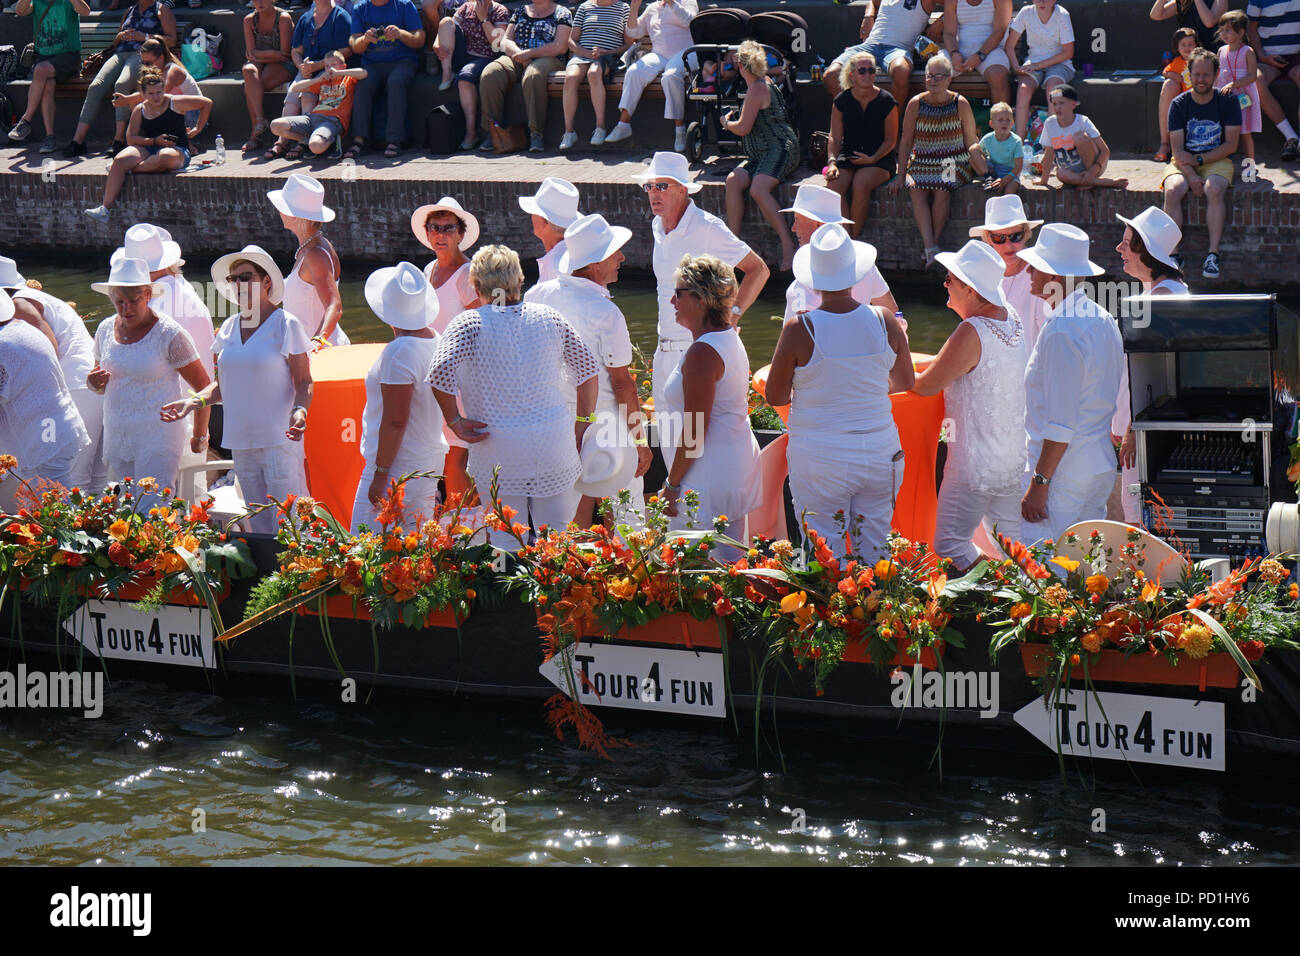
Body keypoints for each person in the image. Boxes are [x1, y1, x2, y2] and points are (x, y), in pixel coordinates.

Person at [426, 245, 601, 545]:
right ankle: (561, 590)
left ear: (475, 284)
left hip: (497, 447)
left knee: (505, 543)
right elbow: (588, 370)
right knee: (557, 540)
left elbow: (439, 374)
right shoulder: (549, 317)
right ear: (520, 281)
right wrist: (583, 421)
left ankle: (505, 587)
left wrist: (454, 421)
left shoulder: (469, 324)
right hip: (553, 442)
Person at [767, 226, 912, 561]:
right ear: (855, 274)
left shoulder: (799, 329)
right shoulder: (885, 320)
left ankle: (828, 612)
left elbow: (776, 396)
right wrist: (865, 386)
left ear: (814, 280)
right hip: (879, 452)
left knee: (823, 556)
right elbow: (905, 381)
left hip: (820, 457)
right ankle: (877, 611)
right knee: (876, 553)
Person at [163, 245, 312, 533]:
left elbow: (304, 381)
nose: (238, 285)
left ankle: (303, 574)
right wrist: (192, 402)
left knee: (291, 519)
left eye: (246, 277)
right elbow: (221, 385)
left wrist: (300, 411)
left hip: (278, 438)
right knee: (257, 519)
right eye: (234, 279)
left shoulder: (286, 324)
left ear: (266, 281)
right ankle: (271, 575)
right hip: (241, 440)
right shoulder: (229, 328)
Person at [525, 214, 651, 526]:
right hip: (603, 419)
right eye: (614, 252)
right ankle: (632, 574)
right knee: (627, 515)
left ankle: (560, 573)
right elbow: (624, 385)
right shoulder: (605, 312)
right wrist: (640, 440)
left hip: (552, 419)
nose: (622, 257)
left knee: (558, 518)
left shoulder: (536, 296)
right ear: (595, 264)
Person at [912, 240, 1026, 568]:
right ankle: (1024, 603)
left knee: (949, 544)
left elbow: (925, 386)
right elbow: (954, 361)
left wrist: (885, 367)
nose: (945, 285)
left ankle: (993, 590)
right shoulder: (1010, 318)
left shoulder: (970, 330)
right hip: (1009, 459)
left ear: (972, 291)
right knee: (1012, 548)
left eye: (950, 279)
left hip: (973, 466)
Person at [634, 151, 770, 414]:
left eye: (662, 186)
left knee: (696, 440)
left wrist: (733, 315)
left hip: (699, 350)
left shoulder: (708, 227)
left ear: (683, 190)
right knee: (670, 440)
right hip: (663, 350)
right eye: (649, 186)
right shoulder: (656, 226)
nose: (653, 193)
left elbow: (758, 270)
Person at [1016, 223, 1123, 544]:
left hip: (1064, 473)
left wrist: (1039, 483)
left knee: (1047, 571)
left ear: (1055, 277)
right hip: (1097, 463)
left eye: (1035, 266)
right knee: (1087, 569)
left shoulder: (1062, 330)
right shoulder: (1102, 317)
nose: (1027, 272)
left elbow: (1060, 423)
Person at [656, 253, 762, 544]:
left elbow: (694, 431)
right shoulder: (728, 336)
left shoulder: (703, 353)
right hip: (732, 464)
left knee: (692, 570)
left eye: (678, 293)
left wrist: (672, 485)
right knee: (728, 563)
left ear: (701, 299)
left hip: (709, 473)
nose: (672, 302)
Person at [87, 256, 210, 498]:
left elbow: (203, 386)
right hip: (118, 434)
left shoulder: (169, 333)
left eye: (133, 301)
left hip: (157, 438)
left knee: (152, 509)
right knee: (121, 512)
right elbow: (98, 381)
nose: (126, 309)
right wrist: (93, 383)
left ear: (148, 295)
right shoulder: (104, 329)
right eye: (119, 301)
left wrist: (199, 434)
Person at [112, 223, 215, 497]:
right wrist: (201, 433)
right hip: (193, 412)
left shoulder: (152, 306)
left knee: (153, 510)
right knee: (193, 505)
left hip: (163, 421)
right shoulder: (187, 291)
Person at [350, 262, 447, 532]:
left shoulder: (399, 351)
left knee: (365, 546)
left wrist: (380, 474)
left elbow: (395, 421)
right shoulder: (437, 339)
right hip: (426, 457)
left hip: (397, 463)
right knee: (413, 545)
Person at [1113, 206, 1188, 524]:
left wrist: (1130, 430)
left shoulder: (1159, 300)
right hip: (1143, 432)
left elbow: (1156, 374)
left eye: (1127, 243)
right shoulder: (1164, 292)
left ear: (1147, 253)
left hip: (1143, 437)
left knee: (1136, 521)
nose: (1119, 248)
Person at [0, 257, 100, 491]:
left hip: (74, 386)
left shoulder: (20, 305)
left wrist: (36, 384)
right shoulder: (20, 323)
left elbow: (49, 352)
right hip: (80, 389)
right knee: (89, 481)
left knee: (68, 487)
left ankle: (73, 526)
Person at [411, 196, 480, 501]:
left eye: (448, 228)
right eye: (434, 228)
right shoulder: (428, 270)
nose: (440, 235)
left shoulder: (468, 275)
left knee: (456, 458)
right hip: (432, 378)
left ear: (461, 234)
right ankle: (448, 530)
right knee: (437, 456)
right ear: (427, 233)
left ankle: (464, 531)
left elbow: (482, 330)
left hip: (460, 381)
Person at [890, 51, 987, 266]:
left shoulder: (960, 103)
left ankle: (931, 246)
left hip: (952, 160)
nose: (932, 80)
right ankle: (930, 246)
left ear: (949, 79)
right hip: (922, 159)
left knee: (943, 187)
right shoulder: (915, 103)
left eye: (938, 76)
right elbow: (905, 141)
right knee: (915, 188)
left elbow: (971, 140)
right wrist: (900, 175)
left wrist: (980, 162)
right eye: (929, 76)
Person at [82, 67, 213, 224]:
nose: (156, 97)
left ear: (164, 89)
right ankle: (105, 209)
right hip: (150, 147)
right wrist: (154, 141)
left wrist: (197, 129)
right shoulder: (140, 109)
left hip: (177, 150)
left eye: (159, 92)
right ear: (143, 94)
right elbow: (131, 139)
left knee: (164, 156)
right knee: (120, 159)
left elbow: (207, 103)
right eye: (151, 93)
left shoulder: (175, 102)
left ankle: (127, 170)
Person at [722, 42, 802, 272]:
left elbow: (743, 128)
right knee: (733, 180)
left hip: (780, 149)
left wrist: (726, 123)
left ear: (740, 65)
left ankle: (788, 244)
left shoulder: (757, 88)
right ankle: (733, 244)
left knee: (758, 189)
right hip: (759, 152)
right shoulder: (759, 83)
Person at [61, 0, 177, 159]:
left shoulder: (161, 10)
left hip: (142, 55)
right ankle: (78, 141)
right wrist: (121, 36)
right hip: (120, 54)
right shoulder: (129, 10)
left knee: (121, 84)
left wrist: (144, 36)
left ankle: (118, 140)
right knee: (95, 86)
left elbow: (171, 40)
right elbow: (115, 42)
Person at [1162, 46, 1240, 279]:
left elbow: (1231, 146)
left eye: (1206, 75)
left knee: (1213, 189)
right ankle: (1173, 255)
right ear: (1189, 74)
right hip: (1183, 162)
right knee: (1173, 190)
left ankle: (1212, 254)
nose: (1201, 79)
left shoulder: (1228, 101)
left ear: (1216, 75)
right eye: (1196, 74)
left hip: (1217, 160)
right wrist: (1192, 174)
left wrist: (1199, 160)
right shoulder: (1178, 104)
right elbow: (1177, 150)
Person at [781, 184, 899, 321]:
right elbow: (893, 314)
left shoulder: (803, 280)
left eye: (797, 220)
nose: (793, 228)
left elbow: (798, 335)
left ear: (817, 225)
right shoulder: (864, 265)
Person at [476, 0, 572, 153]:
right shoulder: (521, 11)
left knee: (532, 75)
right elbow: (506, 41)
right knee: (491, 74)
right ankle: (493, 132)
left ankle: (536, 133)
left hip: (549, 58)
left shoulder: (562, 13)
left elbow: (560, 46)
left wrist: (531, 53)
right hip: (518, 57)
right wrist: (520, 55)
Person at [270, 174, 351, 346]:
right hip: (306, 351)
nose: (278, 211)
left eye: (281, 207)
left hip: (321, 355)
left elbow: (334, 305)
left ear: (292, 216)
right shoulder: (313, 246)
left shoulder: (315, 254)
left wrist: (318, 341)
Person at [825, 49, 899, 238]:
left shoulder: (886, 100)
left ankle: (853, 239)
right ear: (852, 75)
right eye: (862, 71)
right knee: (834, 186)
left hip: (880, 157)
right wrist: (832, 162)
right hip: (850, 154)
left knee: (861, 183)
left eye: (871, 70)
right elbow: (834, 136)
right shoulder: (842, 101)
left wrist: (873, 157)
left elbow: (891, 140)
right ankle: (844, 238)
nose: (868, 74)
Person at [606, 0, 696, 150]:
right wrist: (634, 6)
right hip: (659, 54)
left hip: (685, 53)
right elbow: (634, 32)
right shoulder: (652, 8)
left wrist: (672, 3)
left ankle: (680, 129)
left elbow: (690, 22)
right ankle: (623, 124)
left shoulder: (688, 1)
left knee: (670, 76)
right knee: (634, 71)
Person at [7, 0, 92, 155]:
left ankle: (26, 120)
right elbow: (20, 11)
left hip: (68, 57)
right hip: (44, 56)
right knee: (48, 85)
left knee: (40, 71)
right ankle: (50, 137)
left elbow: (85, 11)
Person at [826, 0, 941, 110]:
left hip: (898, 49)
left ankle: (890, 125)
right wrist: (868, 16)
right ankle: (859, 120)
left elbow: (955, 5)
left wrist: (941, 21)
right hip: (869, 45)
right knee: (831, 75)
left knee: (900, 70)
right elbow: (872, 2)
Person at [347, 0, 425, 158]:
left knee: (396, 82)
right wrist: (365, 39)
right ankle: (359, 140)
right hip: (372, 64)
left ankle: (395, 140)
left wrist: (400, 33)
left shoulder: (404, 5)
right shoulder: (360, 8)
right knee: (362, 84)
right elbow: (354, 44)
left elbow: (420, 39)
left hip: (403, 62)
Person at [969, 193, 1045, 348]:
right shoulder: (981, 277)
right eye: (999, 238)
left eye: (1015, 236)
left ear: (1026, 234)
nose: (1008, 245)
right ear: (989, 239)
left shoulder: (1042, 278)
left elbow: (1051, 341)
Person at [267, 49, 367, 158]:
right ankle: (304, 139)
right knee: (275, 126)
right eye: (327, 66)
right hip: (312, 118)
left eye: (334, 64)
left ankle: (332, 141)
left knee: (315, 146)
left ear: (343, 66)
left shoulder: (348, 79)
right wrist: (318, 79)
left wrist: (340, 73)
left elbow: (364, 73)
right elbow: (296, 88)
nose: (330, 68)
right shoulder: (322, 81)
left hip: (332, 121)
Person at [560, 0, 631, 149]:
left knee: (593, 73)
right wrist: (586, 53)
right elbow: (572, 41)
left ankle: (600, 127)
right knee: (571, 77)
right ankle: (569, 132)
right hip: (582, 55)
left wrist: (607, 52)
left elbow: (629, 43)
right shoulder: (585, 7)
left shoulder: (624, 8)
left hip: (608, 57)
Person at [440, 0, 510, 149]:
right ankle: (447, 72)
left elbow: (498, 46)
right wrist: (436, 45)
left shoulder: (500, 11)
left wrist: (483, 18)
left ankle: (471, 133)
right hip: (463, 54)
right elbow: (447, 28)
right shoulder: (466, 7)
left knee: (465, 77)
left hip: (486, 57)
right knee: (446, 21)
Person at [1005, 0, 1075, 140]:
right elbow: (1009, 46)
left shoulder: (1062, 15)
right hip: (1033, 62)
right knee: (1023, 89)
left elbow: (1068, 52)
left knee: (1053, 88)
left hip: (1059, 64)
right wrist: (1016, 67)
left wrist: (1038, 65)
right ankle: (1019, 143)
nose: (1041, 2)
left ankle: (1051, 143)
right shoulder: (1026, 12)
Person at [110, 36, 205, 138]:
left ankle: (181, 142)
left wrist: (127, 99)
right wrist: (130, 100)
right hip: (178, 112)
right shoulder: (154, 72)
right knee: (139, 105)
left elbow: (162, 93)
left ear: (161, 58)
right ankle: (149, 138)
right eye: (143, 62)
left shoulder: (172, 71)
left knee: (156, 103)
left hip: (193, 116)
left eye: (149, 63)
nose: (146, 66)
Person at [1036, 85, 1128, 189]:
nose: (1058, 108)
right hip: (1071, 171)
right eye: (1055, 104)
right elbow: (1049, 151)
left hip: (1094, 166)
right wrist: (1044, 180)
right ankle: (1104, 183)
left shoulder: (1083, 121)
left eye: (1062, 103)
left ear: (1073, 104)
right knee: (1060, 173)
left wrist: (1092, 171)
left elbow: (1105, 151)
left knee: (1079, 137)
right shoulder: (1050, 123)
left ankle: (1090, 179)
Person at [284, 0, 356, 122]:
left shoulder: (341, 17)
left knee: (307, 94)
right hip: (308, 69)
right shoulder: (305, 18)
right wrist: (301, 66)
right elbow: (296, 51)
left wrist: (318, 65)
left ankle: (304, 136)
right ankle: (283, 137)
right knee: (292, 93)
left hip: (331, 69)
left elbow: (347, 51)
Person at [1247, 0, 1300, 160]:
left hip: (1297, 58)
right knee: (1254, 81)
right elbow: (1251, 31)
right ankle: (1291, 138)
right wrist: (1262, 55)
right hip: (1268, 59)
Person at [240, 0, 295, 152]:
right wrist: (271, 54)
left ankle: (255, 137)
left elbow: (284, 55)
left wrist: (262, 55)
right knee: (248, 70)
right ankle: (260, 119)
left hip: (284, 65)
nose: (259, 2)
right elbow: (250, 53)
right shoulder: (249, 20)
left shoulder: (283, 18)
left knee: (251, 88)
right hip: (261, 63)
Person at [944, 0, 1014, 106]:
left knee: (998, 76)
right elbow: (949, 33)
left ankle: (1001, 120)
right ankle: (935, 120)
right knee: (936, 71)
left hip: (991, 50)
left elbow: (1000, 31)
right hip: (959, 49)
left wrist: (980, 56)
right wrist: (954, 53)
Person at [1217, 10, 1261, 166]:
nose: (1223, 34)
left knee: (1245, 131)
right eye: (1221, 30)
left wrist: (1234, 84)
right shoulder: (1221, 51)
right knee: (1224, 128)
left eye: (1227, 30)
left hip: (1243, 95)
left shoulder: (1247, 52)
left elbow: (1252, 76)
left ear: (1241, 32)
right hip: (1225, 95)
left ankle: (1250, 163)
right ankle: (1222, 161)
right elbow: (1218, 75)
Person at [518, 178, 582, 282]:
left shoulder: (554, 266)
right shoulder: (581, 255)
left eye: (534, 212)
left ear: (543, 221)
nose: (531, 216)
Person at [1154, 27, 1200, 162]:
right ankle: (1167, 145)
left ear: (1196, 45)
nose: (1187, 48)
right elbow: (1165, 72)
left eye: (1190, 44)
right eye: (1183, 45)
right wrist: (1173, 75)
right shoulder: (1177, 62)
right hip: (1184, 98)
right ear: (1178, 48)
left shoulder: (1201, 59)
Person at [1150, 0, 1229, 52]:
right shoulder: (1185, 1)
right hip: (1189, 53)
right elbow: (1156, 15)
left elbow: (1209, 22)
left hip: (1211, 52)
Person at [979, 101, 1023, 193]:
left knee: (1010, 190)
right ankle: (987, 177)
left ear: (1012, 123)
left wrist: (1004, 181)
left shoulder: (1016, 141)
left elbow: (1018, 167)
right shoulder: (988, 139)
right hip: (993, 170)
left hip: (1010, 173)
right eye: (1000, 120)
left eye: (1008, 120)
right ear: (991, 124)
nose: (1004, 123)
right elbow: (978, 152)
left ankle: (1008, 206)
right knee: (973, 149)